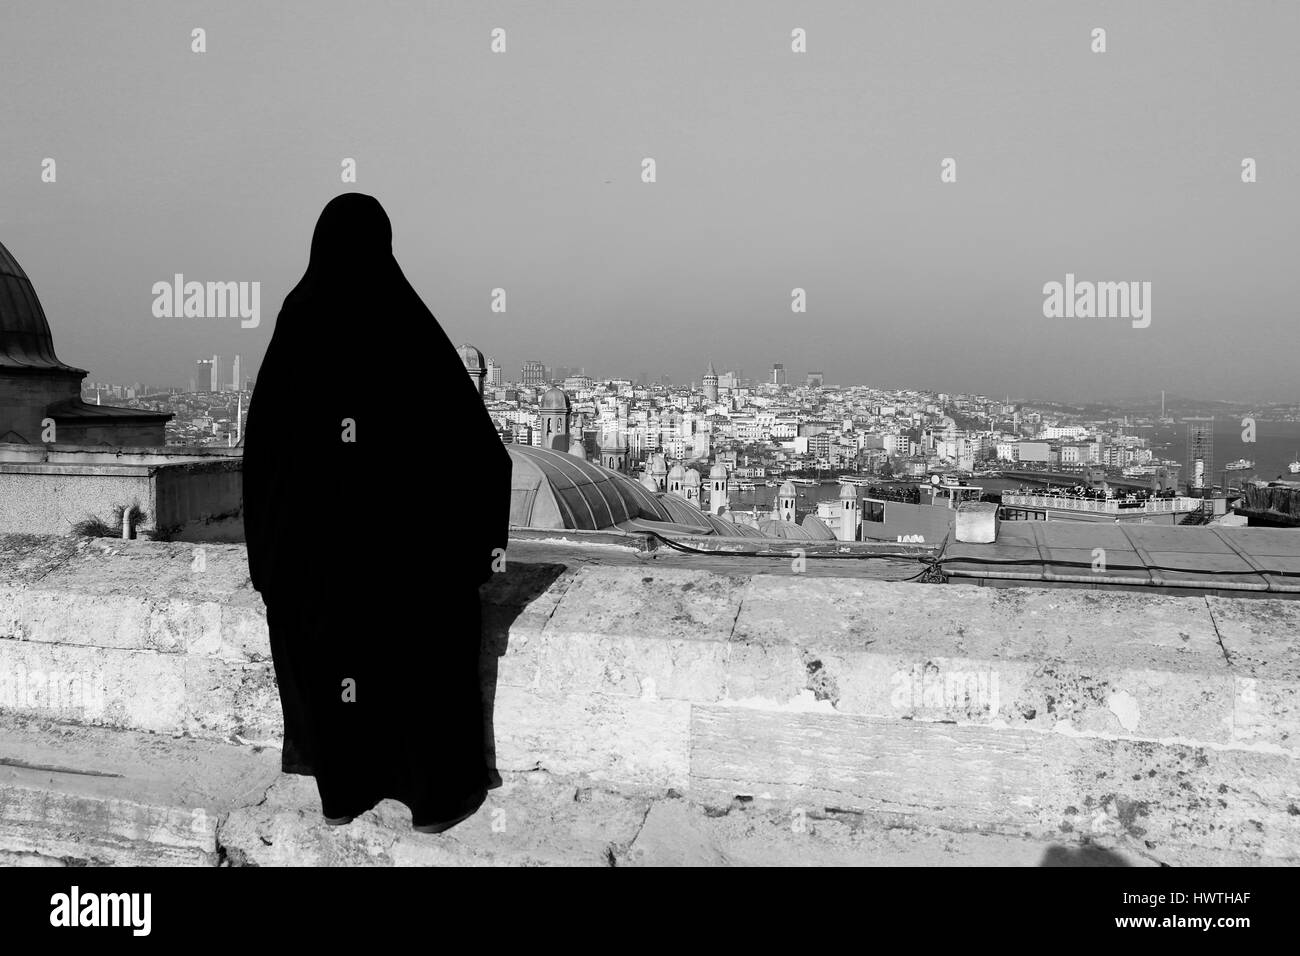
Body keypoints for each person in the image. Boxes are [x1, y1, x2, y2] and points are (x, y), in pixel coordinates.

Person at [242, 193, 511, 833]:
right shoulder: (406, 322)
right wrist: (475, 550)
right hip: (406, 563)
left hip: (320, 567)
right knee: (419, 657)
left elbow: (266, 455)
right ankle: (433, 799)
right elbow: (477, 453)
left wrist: (271, 562)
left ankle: (344, 792)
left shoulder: (299, 318)